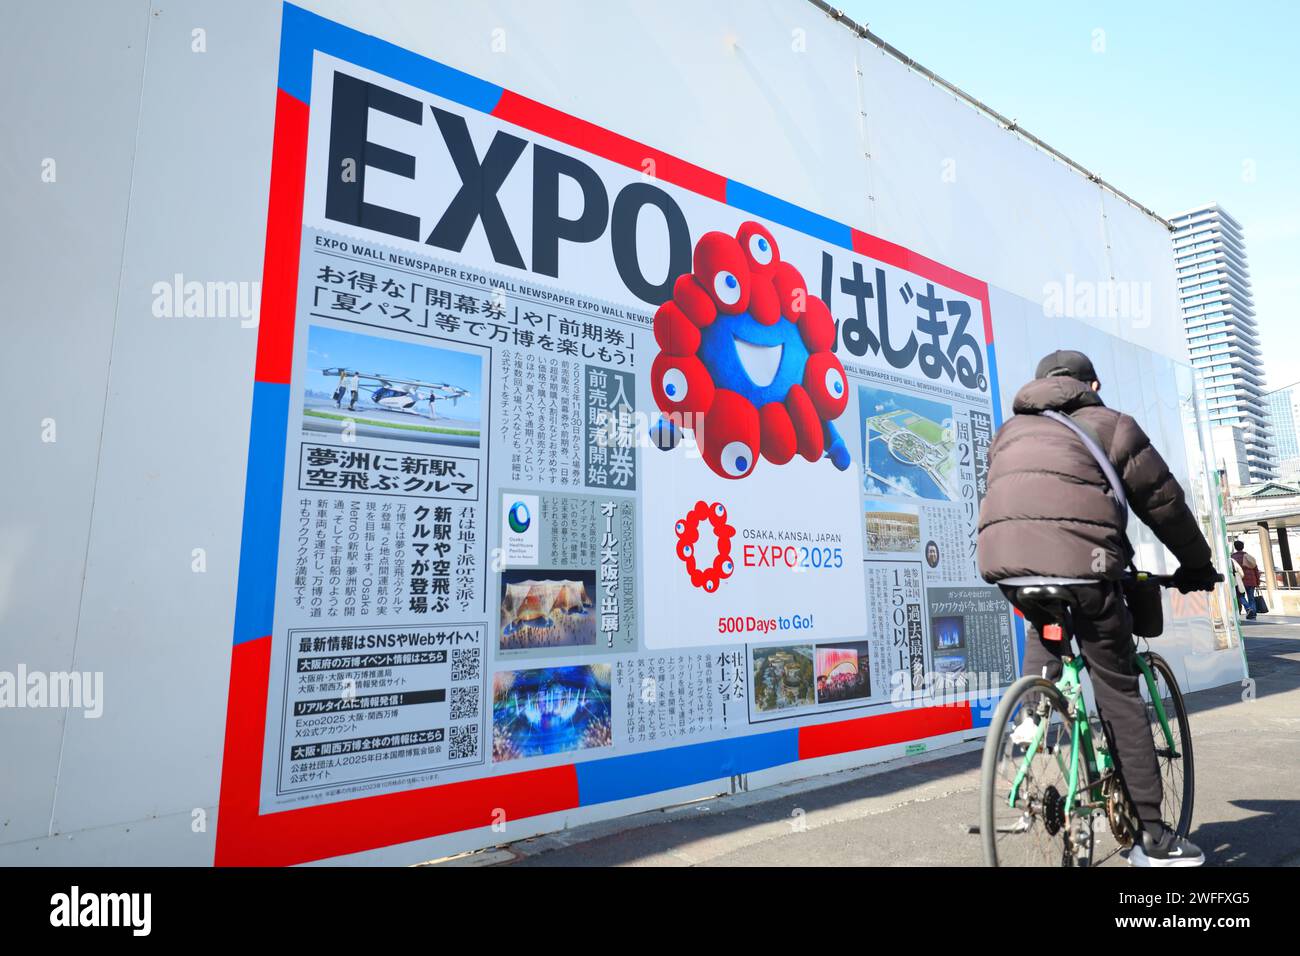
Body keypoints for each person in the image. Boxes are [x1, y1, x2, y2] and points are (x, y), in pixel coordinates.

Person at [977, 350, 1219, 867]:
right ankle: (1154, 838)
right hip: (1085, 570)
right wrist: (1198, 564)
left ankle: (1032, 718)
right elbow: (1164, 504)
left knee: (1045, 612)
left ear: (1039, 385)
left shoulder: (1009, 432)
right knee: (1117, 690)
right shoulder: (1112, 426)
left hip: (1008, 567)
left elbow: (1022, 510)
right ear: (1092, 383)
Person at [1230, 540, 1260, 619]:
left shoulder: (1233, 558)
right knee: (1251, 597)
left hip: (1240, 581)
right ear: (1243, 547)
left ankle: (1248, 608)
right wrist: (1258, 581)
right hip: (1251, 580)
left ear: (1235, 547)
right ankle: (1253, 613)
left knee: (1240, 596)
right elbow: (1256, 570)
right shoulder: (1249, 557)